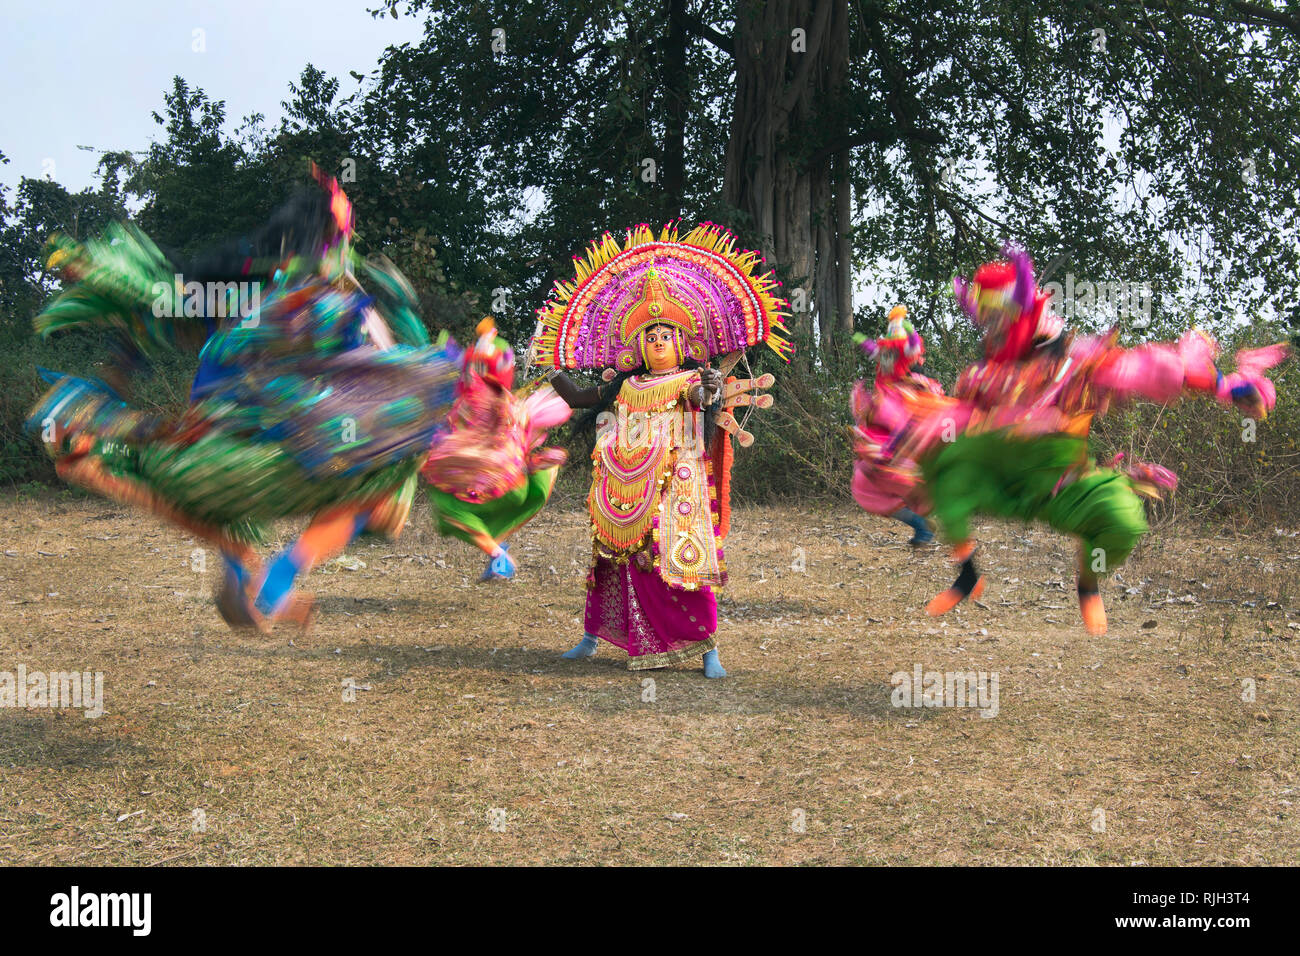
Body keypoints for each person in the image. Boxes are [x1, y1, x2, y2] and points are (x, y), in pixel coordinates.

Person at [529, 223, 791, 676]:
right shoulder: (625, 383)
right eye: (649, 338)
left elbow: (703, 401)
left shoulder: (689, 380)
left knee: (681, 560)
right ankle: (592, 638)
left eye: (665, 337)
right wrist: (548, 366)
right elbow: (575, 399)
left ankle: (708, 650)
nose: (657, 343)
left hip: (676, 485)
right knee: (610, 561)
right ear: (637, 347)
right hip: (621, 484)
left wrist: (709, 387)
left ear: (682, 343)